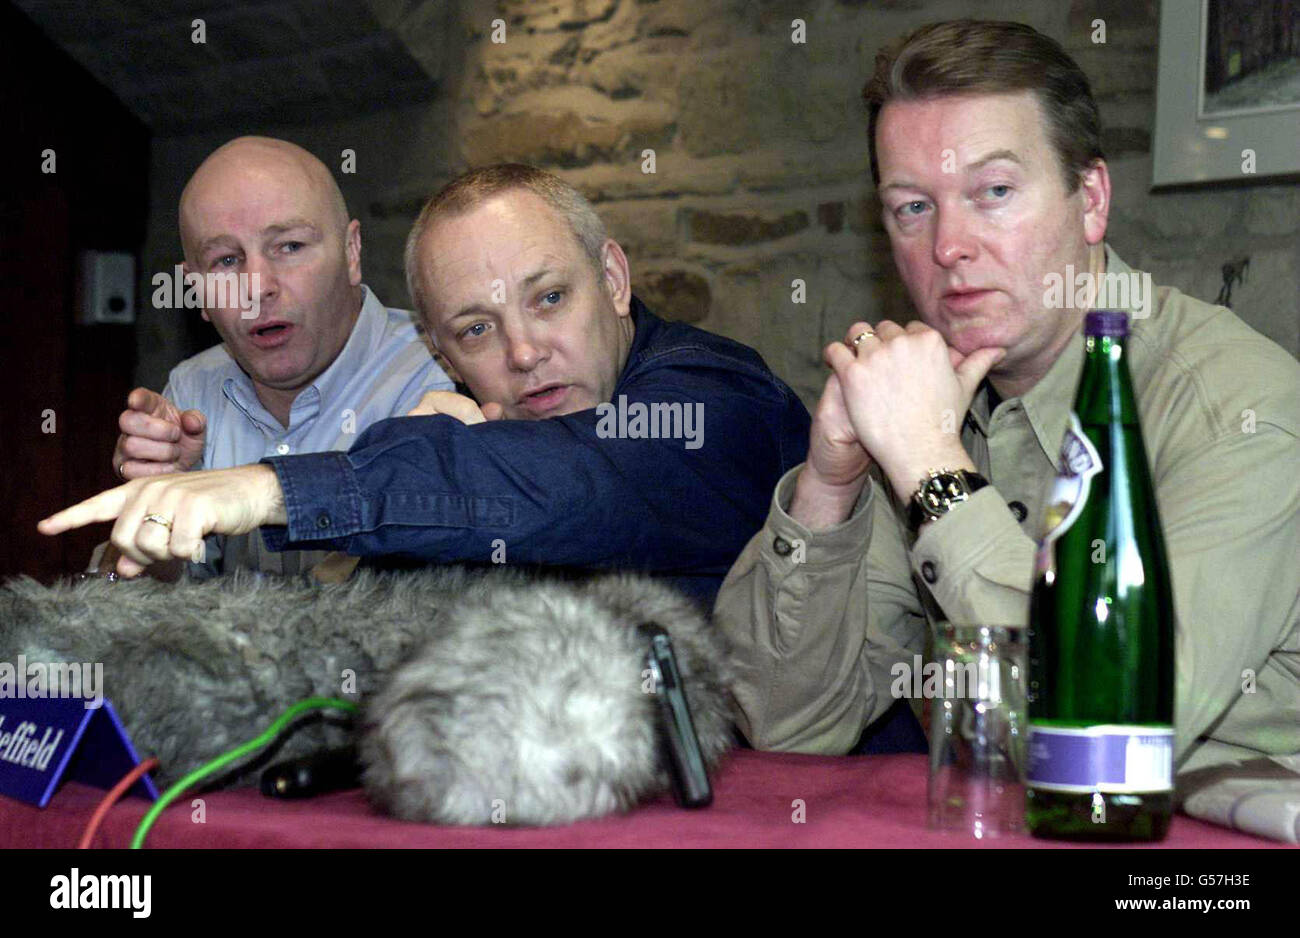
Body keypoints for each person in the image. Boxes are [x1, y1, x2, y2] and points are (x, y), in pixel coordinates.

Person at [712, 20, 1299, 774]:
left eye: (992, 192)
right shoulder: (934, 402)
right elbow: (789, 722)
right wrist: (830, 485)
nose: (948, 245)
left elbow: (1106, 737)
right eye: (912, 207)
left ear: (1090, 200)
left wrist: (932, 469)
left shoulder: (1236, 409)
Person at [44, 164, 811, 608]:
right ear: (441, 352)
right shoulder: (465, 427)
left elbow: (591, 476)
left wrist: (265, 489)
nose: (523, 351)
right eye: (476, 329)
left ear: (612, 279)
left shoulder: (710, 389)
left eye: (549, 298)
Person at [104, 136, 454, 577]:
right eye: (227, 260)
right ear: (197, 292)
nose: (257, 286)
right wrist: (157, 517)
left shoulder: (439, 376)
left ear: (351, 253)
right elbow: (142, 601)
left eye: (289, 246)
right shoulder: (191, 392)